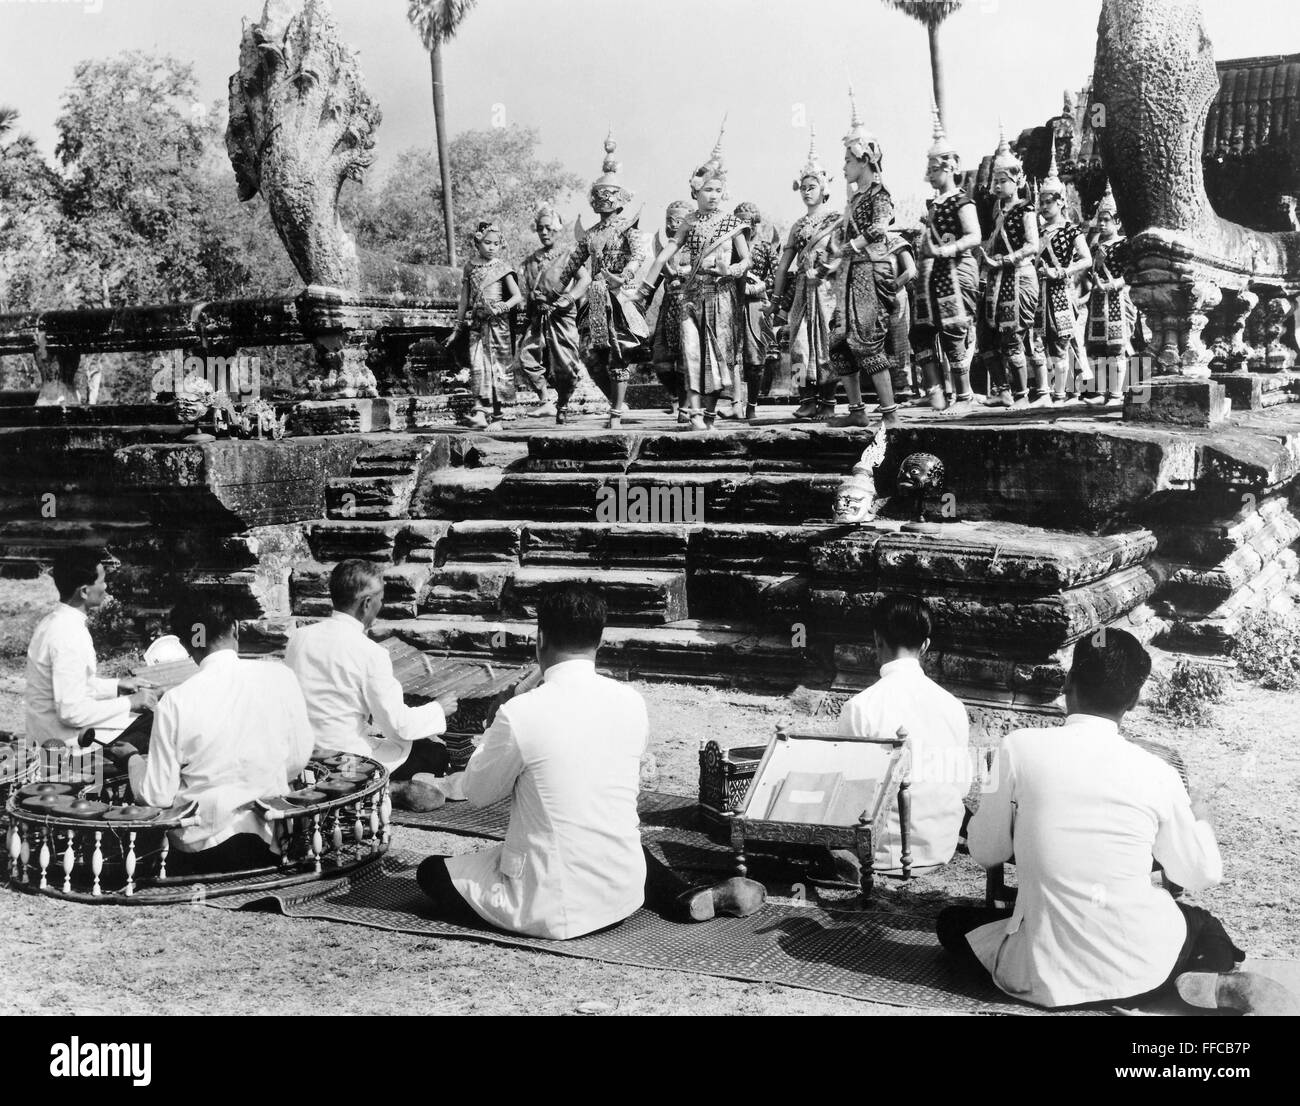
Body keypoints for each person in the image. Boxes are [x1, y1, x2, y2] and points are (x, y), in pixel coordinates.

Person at [937, 630, 1271, 1012]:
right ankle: (1197, 978)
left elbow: (985, 851)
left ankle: (1184, 978)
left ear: (1068, 682)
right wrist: (1202, 820)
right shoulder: (1157, 771)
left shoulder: (1016, 747)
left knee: (951, 923)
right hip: (1138, 973)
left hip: (1041, 975)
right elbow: (1201, 874)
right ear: (1135, 698)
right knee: (1203, 924)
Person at [416, 584, 649, 939]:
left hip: (557, 906)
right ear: (599, 641)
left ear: (540, 639)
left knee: (431, 872)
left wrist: (496, 723)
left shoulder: (521, 712)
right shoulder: (632, 701)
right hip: (624, 894)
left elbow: (477, 792)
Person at [127, 596, 313, 874]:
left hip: (202, 850)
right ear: (235, 629)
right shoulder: (281, 677)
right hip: (273, 839)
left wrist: (132, 760)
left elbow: (157, 795)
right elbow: (297, 761)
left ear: (188, 644)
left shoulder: (175, 701)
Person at [286, 560, 458, 812]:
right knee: (434, 754)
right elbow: (397, 726)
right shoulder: (370, 652)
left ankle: (373, 789)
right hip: (346, 759)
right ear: (367, 603)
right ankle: (380, 789)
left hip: (303, 759)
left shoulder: (299, 638)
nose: (382, 605)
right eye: (380, 599)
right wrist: (438, 709)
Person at [834, 596, 971, 873]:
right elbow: (961, 786)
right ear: (925, 645)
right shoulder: (953, 706)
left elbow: (848, 793)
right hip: (940, 843)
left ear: (876, 640)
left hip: (880, 852)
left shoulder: (860, 707)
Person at [637, 120, 753, 432]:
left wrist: (729, 270)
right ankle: (695, 414)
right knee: (690, 351)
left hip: (720, 295)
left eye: (718, 190)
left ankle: (711, 415)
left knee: (716, 355)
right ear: (695, 190)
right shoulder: (688, 220)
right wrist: (646, 285)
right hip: (691, 295)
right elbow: (668, 249)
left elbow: (747, 260)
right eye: (707, 190)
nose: (713, 196)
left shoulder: (732, 223)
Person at [553, 130, 649, 430]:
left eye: (608, 196)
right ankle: (615, 402)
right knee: (592, 354)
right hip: (593, 297)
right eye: (599, 195)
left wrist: (624, 276)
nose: (603, 200)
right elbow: (573, 262)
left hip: (618, 295)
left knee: (619, 353)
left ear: (619, 199)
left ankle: (617, 412)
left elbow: (638, 255)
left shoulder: (627, 229)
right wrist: (557, 287)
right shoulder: (592, 233)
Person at [825, 88, 909, 427]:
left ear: (864, 161)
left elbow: (880, 227)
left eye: (848, 160)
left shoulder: (879, 193)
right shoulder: (853, 201)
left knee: (867, 339)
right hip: (850, 273)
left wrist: (853, 246)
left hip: (871, 271)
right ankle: (857, 411)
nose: (844, 166)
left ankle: (889, 415)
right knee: (839, 339)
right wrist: (836, 257)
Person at [25, 548, 157, 749]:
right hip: (67, 743)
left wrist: (116, 686)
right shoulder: (69, 634)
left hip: (46, 731)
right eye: (102, 581)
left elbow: (71, 685)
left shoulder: (53, 622)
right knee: (160, 726)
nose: (106, 587)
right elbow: (72, 712)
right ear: (85, 591)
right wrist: (131, 701)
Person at [911, 105, 982, 412]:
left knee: (955, 330)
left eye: (936, 167)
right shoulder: (934, 204)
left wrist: (947, 250)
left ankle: (964, 396)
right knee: (922, 333)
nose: (931, 173)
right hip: (931, 275)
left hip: (955, 271)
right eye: (930, 167)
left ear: (951, 166)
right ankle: (936, 391)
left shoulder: (961, 199)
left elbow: (974, 236)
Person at [771, 125, 842, 422]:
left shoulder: (836, 220)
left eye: (812, 186)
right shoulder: (798, 225)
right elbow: (784, 263)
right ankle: (805, 399)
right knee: (799, 345)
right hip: (802, 290)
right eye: (803, 186)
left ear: (824, 188)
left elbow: (842, 254)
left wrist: (825, 270)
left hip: (827, 290)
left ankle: (828, 401)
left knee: (826, 345)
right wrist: (775, 299)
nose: (807, 191)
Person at [976, 126, 1039, 409]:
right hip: (995, 279)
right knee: (986, 337)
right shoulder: (995, 212)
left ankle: (1022, 394)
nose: (998, 186)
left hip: (1019, 276)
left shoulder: (1026, 210)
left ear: (1018, 180)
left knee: (1012, 336)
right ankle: (1002, 390)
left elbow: (1032, 246)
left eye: (1004, 180)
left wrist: (1005, 260)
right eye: (996, 181)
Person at [445, 221, 524, 430]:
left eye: (496, 243)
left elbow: (517, 296)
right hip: (477, 324)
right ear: (477, 243)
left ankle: (497, 417)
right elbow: (464, 300)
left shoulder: (502, 268)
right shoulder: (470, 267)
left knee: (496, 368)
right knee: (478, 366)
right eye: (487, 243)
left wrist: (500, 307)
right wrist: (457, 327)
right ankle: (480, 413)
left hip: (498, 325)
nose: (491, 247)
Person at [516, 202, 589, 425]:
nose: (544, 232)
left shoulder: (568, 256)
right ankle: (545, 401)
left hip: (562, 315)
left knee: (565, 364)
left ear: (557, 229)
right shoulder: (530, 261)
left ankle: (563, 405)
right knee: (525, 358)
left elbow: (585, 279)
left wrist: (569, 298)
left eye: (548, 227)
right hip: (539, 315)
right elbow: (525, 290)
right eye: (540, 228)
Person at [1034, 147, 1094, 405]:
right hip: (1039, 292)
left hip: (1061, 291)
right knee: (1043, 343)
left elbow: (1086, 259)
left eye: (1050, 201)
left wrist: (1062, 271)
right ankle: (1054, 391)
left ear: (1061, 202)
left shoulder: (1071, 231)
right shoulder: (1036, 231)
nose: (1045, 206)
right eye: (1042, 202)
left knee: (1062, 342)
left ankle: (1065, 392)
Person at [1083, 180, 1137, 406]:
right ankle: (1103, 393)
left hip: (1118, 300)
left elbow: (1131, 273)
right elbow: (1088, 273)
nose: (1102, 224)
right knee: (1097, 348)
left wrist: (1111, 285)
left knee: (1116, 346)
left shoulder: (1124, 245)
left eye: (1106, 220)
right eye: (1100, 219)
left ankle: (1116, 395)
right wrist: (1090, 287)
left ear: (1117, 221)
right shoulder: (1094, 246)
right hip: (1096, 301)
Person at [645, 199, 695, 423]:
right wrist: (641, 302)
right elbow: (654, 279)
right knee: (661, 361)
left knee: (687, 358)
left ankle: (685, 406)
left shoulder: (697, 247)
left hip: (690, 307)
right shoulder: (666, 250)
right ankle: (677, 398)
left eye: (679, 220)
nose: (673, 224)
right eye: (669, 220)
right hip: (668, 307)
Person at [732, 200, 780, 421]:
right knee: (728, 356)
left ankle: (751, 405)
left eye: (747, 222)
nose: (744, 226)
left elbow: (776, 274)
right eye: (738, 222)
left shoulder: (764, 247)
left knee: (755, 357)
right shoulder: (730, 247)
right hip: (731, 303)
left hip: (757, 305)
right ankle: (733, 403)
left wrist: (760, 286)